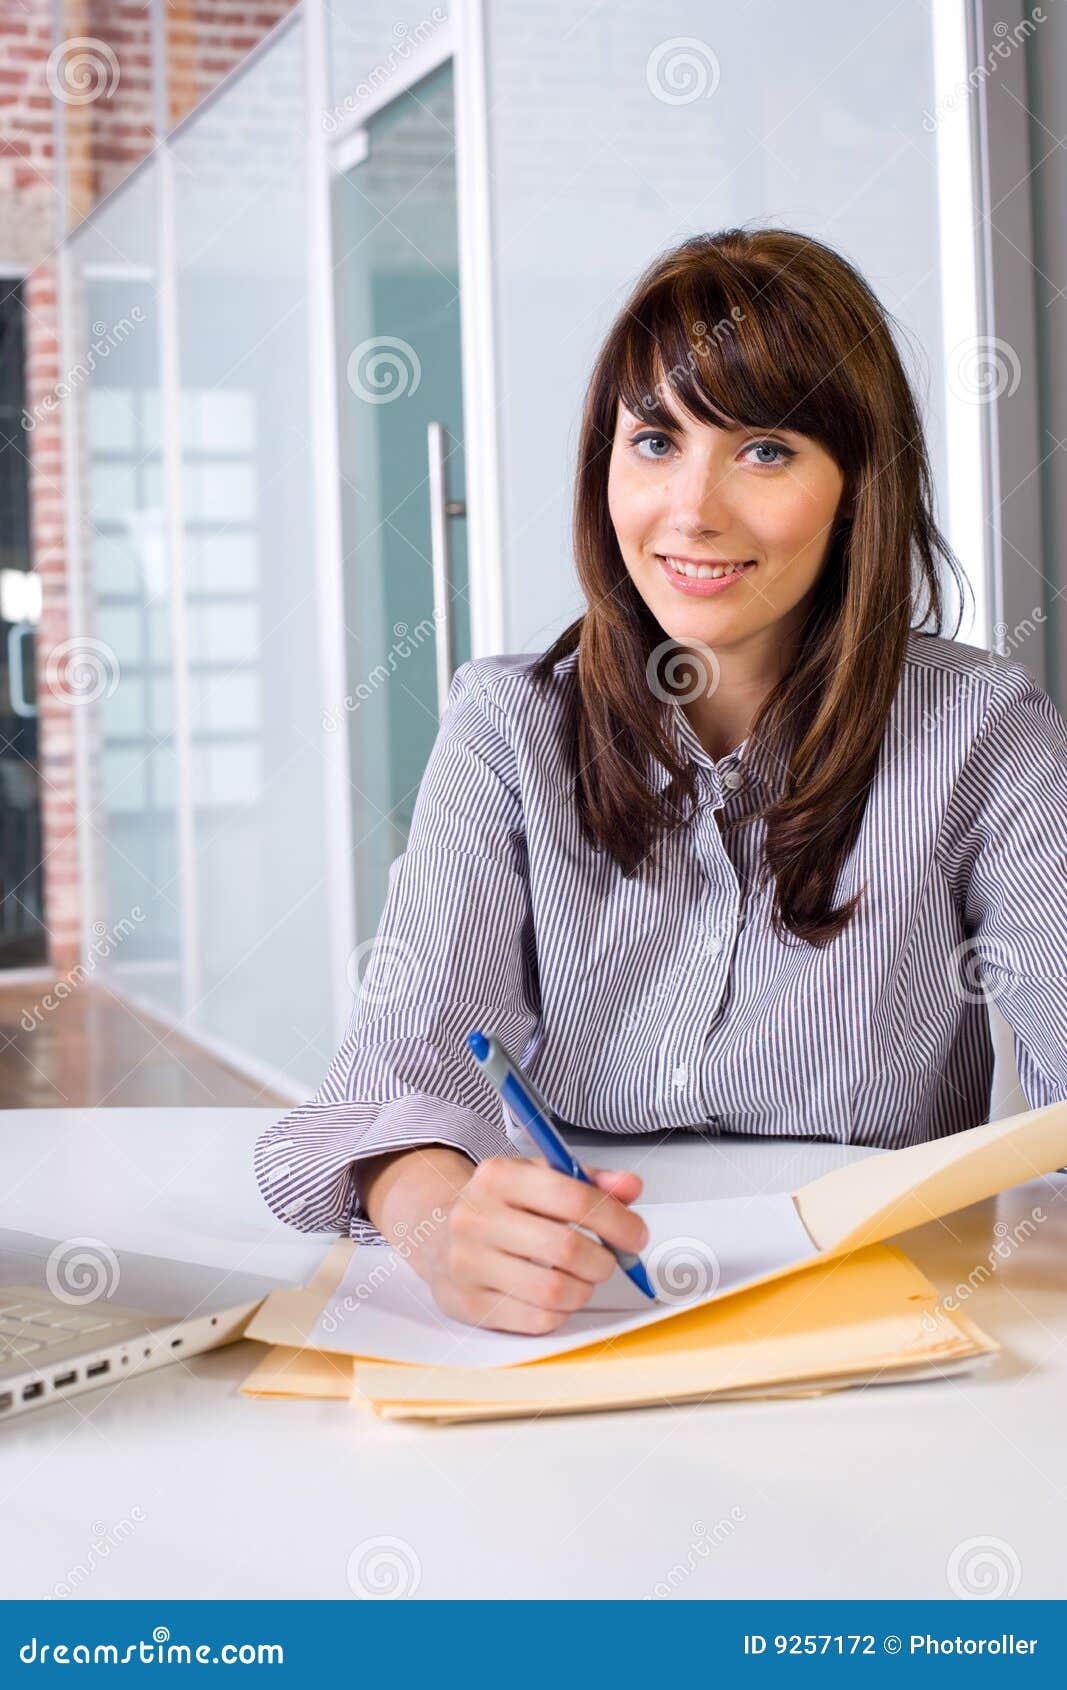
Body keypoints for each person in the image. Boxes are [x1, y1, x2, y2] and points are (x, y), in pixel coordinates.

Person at [255, 227, 1067, 1337]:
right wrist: (441, 1225)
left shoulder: (980, 727)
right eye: (653, 440)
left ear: (855, 486)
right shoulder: (507, 727)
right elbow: (393, 1075)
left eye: (765, 450)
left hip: (880, 1296)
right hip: (580, 1296)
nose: (691, 511)